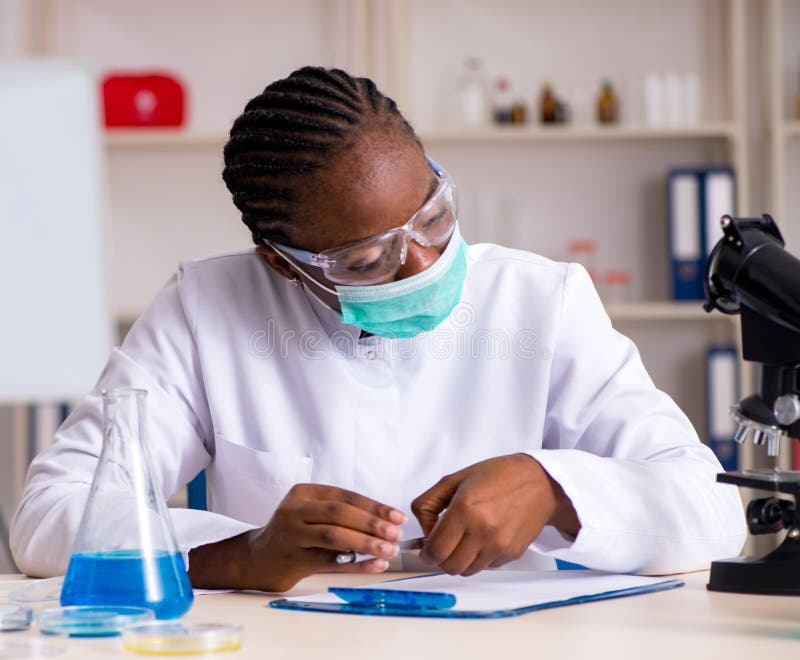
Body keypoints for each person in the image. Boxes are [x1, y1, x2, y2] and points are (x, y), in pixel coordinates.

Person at [10, 67, 745, 592]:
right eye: (366, 260)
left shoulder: (541, 301)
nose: (422, 264)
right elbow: (48, 517)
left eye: (434, 217)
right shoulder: (205, 308)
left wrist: (557, 488)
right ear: (282, 261)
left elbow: (712, 510)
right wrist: (239, 555)